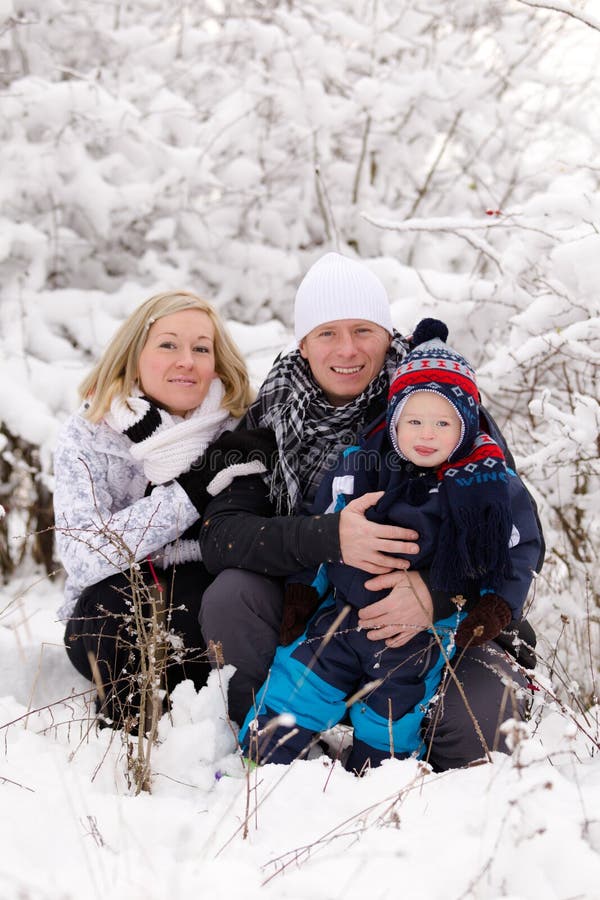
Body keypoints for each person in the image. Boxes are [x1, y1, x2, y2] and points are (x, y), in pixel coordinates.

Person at [199, 252, 542, 770]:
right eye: (326, 333)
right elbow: (221, 535)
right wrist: (331, 537)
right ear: (303, 343)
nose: (347, 349)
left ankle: (396, 761)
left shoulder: (441, 404)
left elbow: (506, 531)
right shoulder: (270, 414)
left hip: (441, 621)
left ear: (388, 334)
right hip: (326, 610)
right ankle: (282, 740)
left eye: (363, 329)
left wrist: (434, 590)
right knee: (231, 596)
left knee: (480, 723)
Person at [54, 290, 274, 730]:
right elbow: (81, 553)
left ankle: (219, 737)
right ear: (136, 353)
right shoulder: (90, 435)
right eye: (168, 344)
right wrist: (189, 494)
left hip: (210, 597)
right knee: (114, 616)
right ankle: (131, 747)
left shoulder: (241, 428)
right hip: (113, 607)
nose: (186, 361)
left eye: (201, 348)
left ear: (217, 361)